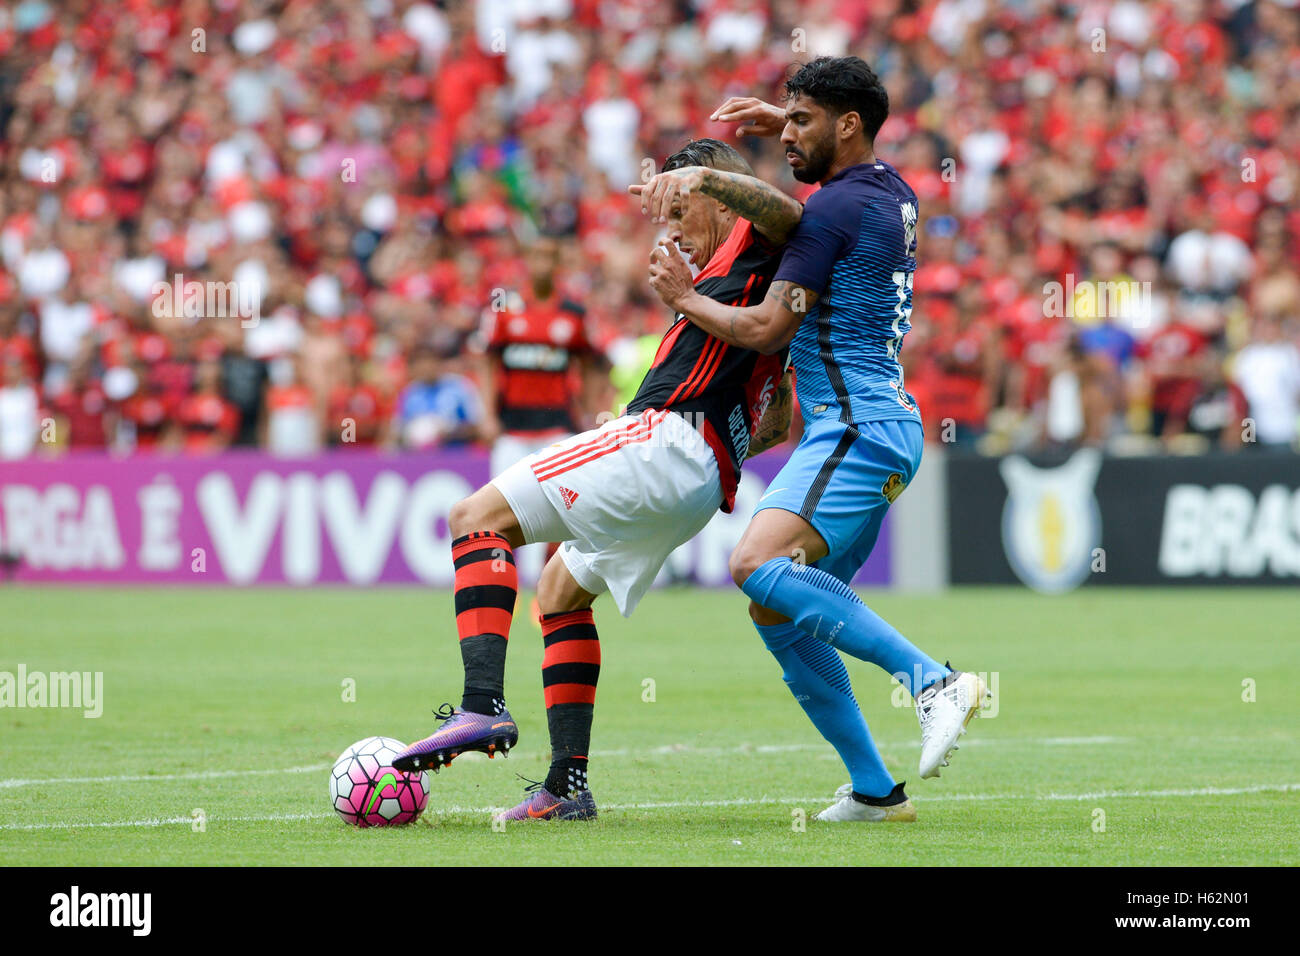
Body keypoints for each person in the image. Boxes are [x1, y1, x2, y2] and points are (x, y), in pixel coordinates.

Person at [392, 138, 799, 822]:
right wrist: (718, 446)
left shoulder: (758, 243)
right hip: (694, 478)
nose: (673, 231)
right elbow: (777, 422)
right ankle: (566, 787)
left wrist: (701, 195)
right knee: (556, 596)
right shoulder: (741, 290)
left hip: (662, 442)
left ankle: (481, 705)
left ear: (714, 190)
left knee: (473, 519)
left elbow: (788, 211)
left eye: (680, 210)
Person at [635, 57, 988, 823]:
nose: (787, 134)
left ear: (849, 123)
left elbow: (765, 325)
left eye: (802, 121)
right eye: (783, 120)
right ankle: (873, 790)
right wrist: (784, 120)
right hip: (881, 426)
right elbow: (798, 201)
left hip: (857, 425)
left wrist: (686, 295)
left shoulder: (830, 212)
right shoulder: (890, 190)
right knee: (778, 610)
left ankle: (933, 681)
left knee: (754, 564)